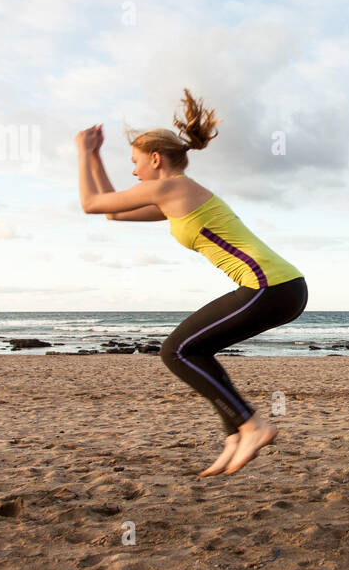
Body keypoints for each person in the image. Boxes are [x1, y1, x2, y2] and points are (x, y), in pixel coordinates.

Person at [76, 89, 308, 476]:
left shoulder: (171, 187)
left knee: (175, 351)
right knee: (194, 351)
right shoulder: (173, 198)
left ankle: (252, 425)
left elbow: (90, 202)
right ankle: (235, 434)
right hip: (277, 288)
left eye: (134, 162)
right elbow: (111, 213)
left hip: (271, 287)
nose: (133, 172)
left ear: (155, 159)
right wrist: (96, 156)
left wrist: (85, 152)